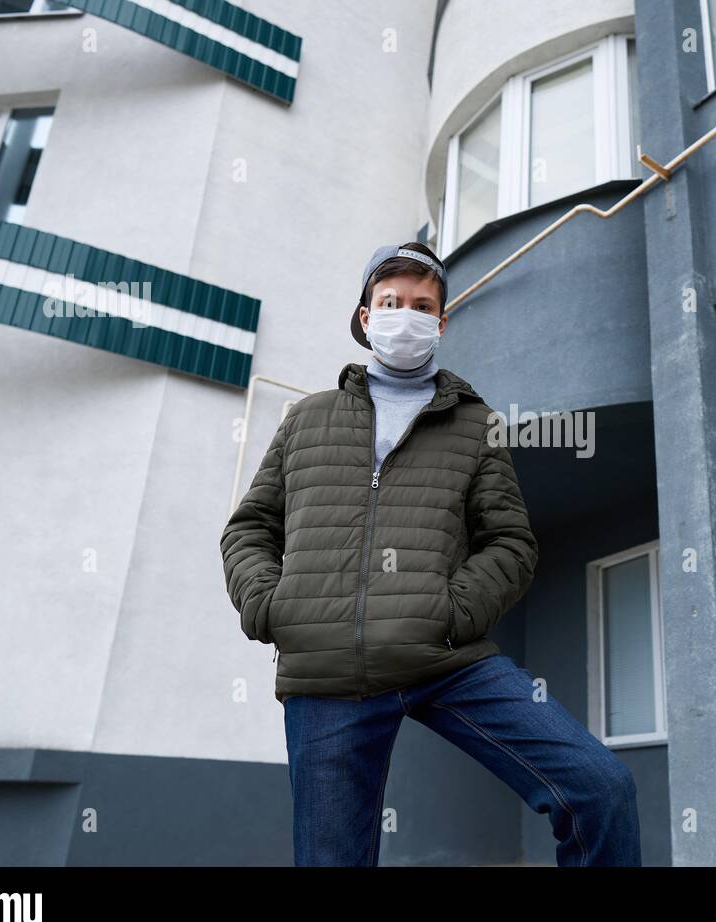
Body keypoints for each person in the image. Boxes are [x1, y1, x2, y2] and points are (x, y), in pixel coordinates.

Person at [219, 241, 641, 866]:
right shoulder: (306, 419)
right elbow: (249, 527)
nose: (406, 316)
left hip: (447, 660)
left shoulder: (476, 425)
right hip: (326, 672)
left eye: (423, 306)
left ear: (440, 324)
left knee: (601, 787)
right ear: (366, 317)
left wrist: (450, 611)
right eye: (391, 302)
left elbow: (511, 542)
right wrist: (271, 607)